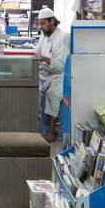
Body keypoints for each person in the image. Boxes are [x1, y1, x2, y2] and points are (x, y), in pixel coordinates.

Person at [35, 7, 68, 142]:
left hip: (59, 75)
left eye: (43, 23)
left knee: (52, 93)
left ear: (52, 21)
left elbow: (60, 66)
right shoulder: (44, 35)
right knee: (30, 88)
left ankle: (51, 129)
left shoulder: (63, 37)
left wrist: (45, 59)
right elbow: (37, 52)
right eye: (39, 24)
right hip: (44, 73)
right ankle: (38, 125)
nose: (40, 27)